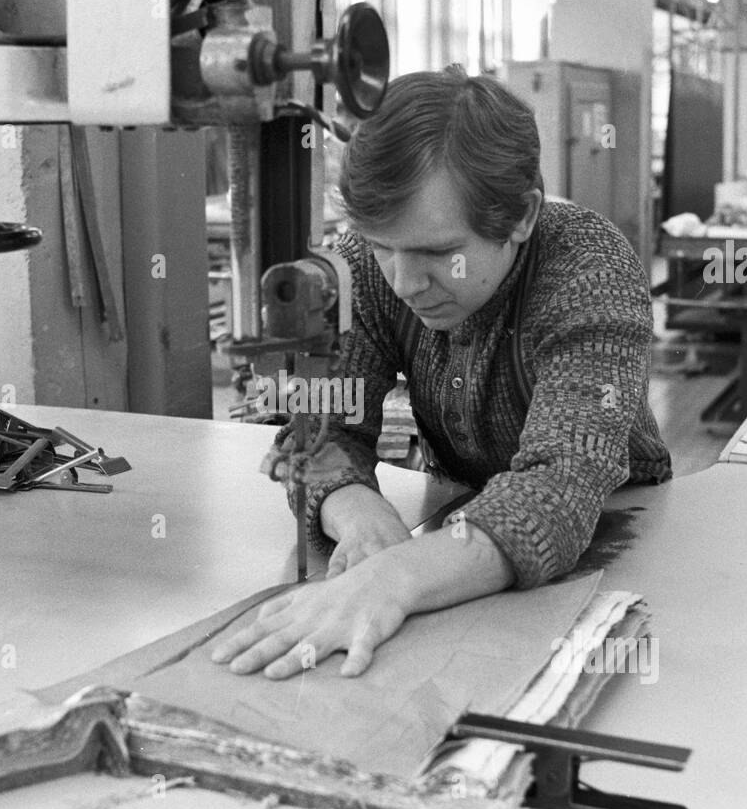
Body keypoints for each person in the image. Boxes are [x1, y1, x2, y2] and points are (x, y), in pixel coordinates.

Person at [211, 65, 672, 679]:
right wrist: (359, 514)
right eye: (380, 245)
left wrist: (394, 579)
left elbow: (560, 485)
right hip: (457, 527)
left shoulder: (589, 271)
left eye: (436, 254)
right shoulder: (363, 271)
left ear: (521, 217)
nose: (403, 283)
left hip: (622, 532)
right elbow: (319, 430)